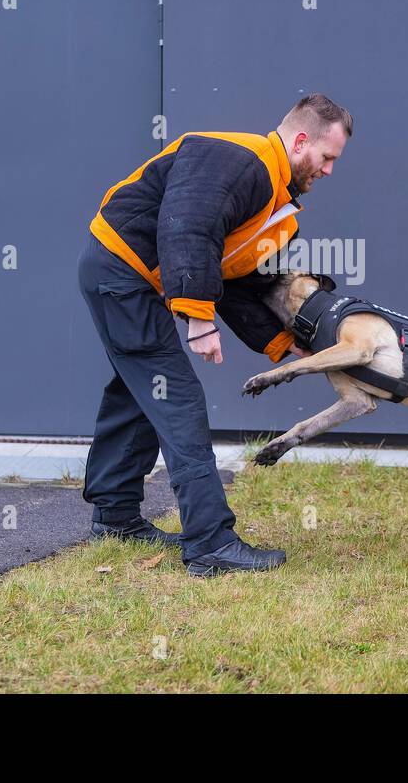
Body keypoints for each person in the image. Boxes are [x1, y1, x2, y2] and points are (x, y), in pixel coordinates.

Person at [78, 93, 351, 576]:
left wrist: (282, 342)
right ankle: (210, 543)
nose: (329, 171)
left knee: (139, 391)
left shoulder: (278, 207)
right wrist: (198, 318)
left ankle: (115, 514)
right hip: (121, 269)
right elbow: (188, 225)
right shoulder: (235, 158)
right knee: (177, 398)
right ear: (301, 140)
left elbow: (236, 280)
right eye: (327, 157)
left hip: (132, 279)